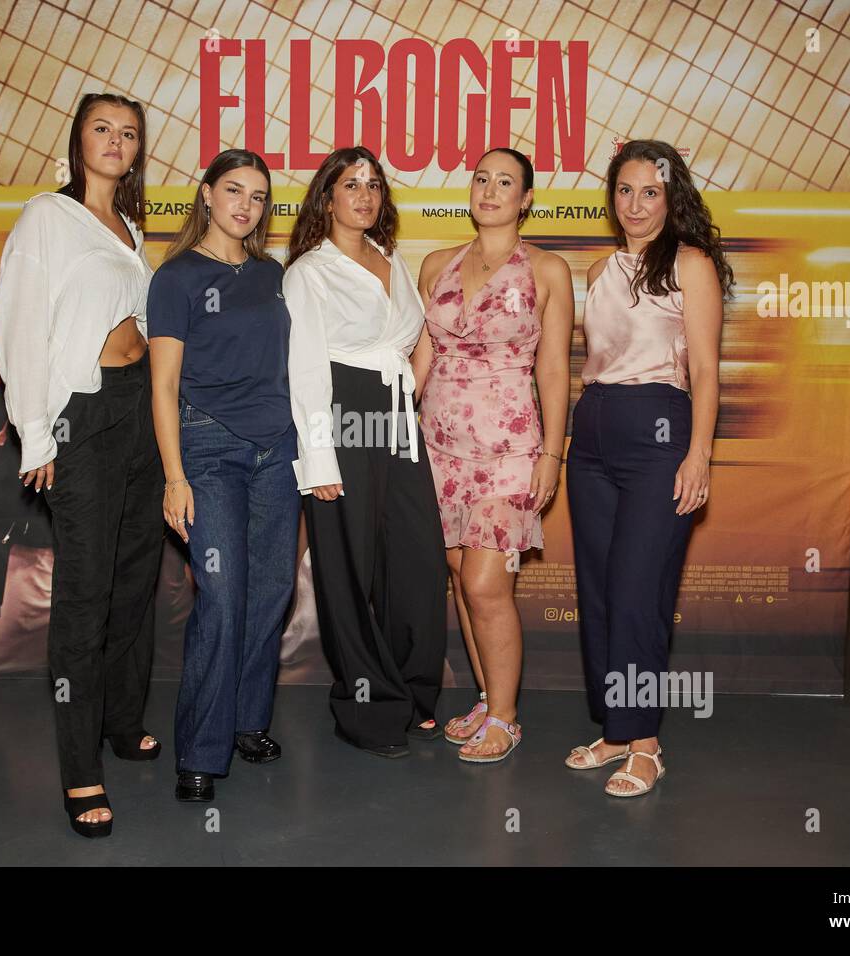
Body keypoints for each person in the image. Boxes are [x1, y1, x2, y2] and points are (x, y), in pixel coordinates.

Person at [0, 92, 164, 838]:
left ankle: (122, 722)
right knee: (84, 595)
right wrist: (36, 434)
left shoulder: (128, 227)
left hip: (137, 409)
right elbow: (16, 323)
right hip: (79, 416)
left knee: (135, 577)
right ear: (77, 141)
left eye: (128, 133)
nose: (116, 141)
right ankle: (79, 767)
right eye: (102, 129)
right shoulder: (46, 219)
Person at [563, 139, 728, 798]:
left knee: (638, 591)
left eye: (649, 192)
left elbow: (709, 373)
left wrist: (699, 454)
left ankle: (647, 743)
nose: (635, 204)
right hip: (595, 432)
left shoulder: (691, 265)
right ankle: (615, 728)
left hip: (661, 436)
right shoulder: (601, 266)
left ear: (671, 196)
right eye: (625, 191)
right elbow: (593, 359)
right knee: (600, 589)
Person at [283, 147, 448, 758]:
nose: (364, 195)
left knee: (417, 558)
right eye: (350, 185)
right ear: (326, 198)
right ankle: (367, 708)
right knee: (347, 567)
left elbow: (414, 341)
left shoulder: (389, 258)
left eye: (374, 185)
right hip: (340, 409)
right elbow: (303, 370)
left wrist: (407, 412)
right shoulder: (307, 272)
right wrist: (319, 458)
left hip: (396, 414)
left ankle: (413, 688)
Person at [412, 147, 574, 763]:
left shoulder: (548, 270)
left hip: (510, 448)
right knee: (458, 576)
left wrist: (553, 456)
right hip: (440, 448)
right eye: (482, 178)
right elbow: (422, 360)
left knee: (485, 585)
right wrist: (388, 429)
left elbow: (555, 370)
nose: (490, 190)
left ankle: (507, 717)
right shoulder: (435, 265)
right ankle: (486, 698)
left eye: (505, 182)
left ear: (526, 198)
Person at [146, 149, 299, 803]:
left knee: (269, 594)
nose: (245, 204)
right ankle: (201, 751)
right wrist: (174, 476)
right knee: (224, 594)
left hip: (277, 451)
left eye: (259, 195)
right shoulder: (175, 277)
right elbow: (162, 386)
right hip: (209, 452)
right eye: (233, 190)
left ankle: (245, 721)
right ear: (206, 195)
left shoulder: (273, 276)